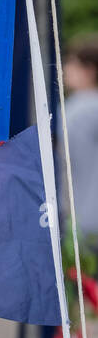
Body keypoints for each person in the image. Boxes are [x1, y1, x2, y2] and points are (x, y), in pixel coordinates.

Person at [62, 33, 98, 237]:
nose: (66, 68)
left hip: (79, 221)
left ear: (89, 70)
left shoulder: (74, 112)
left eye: (72, 63)